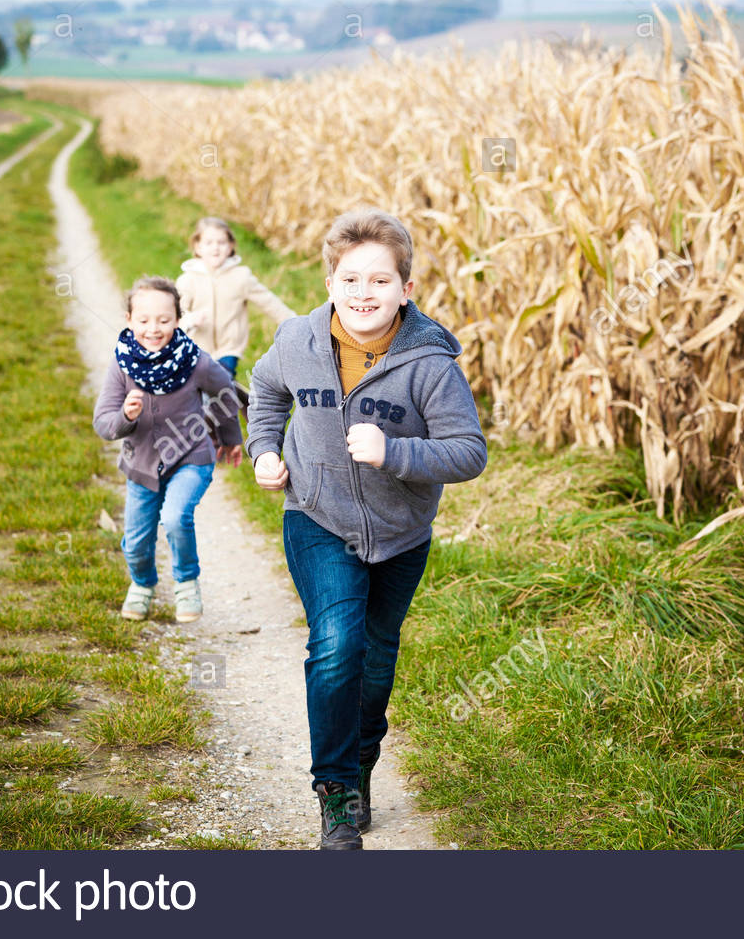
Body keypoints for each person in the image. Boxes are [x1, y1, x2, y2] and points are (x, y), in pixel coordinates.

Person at [245, 208, 487, 849]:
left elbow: (468, 452)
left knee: (376, 658)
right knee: (335, 645)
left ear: (406, 289)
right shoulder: (297, 340)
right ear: (330, 283)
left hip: (401, 533)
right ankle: (336, 792)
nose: (363, 294)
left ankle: (361, 766)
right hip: (316, 516)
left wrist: (394, 452)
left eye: (379, 282)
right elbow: (264, 389)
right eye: (350, 280)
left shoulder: (430, 364)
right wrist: (265, 450)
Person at [93, 276, 243, 623]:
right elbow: (103, 422)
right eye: (143, 320)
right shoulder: (122, 365)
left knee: (176, 518)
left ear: (178, 319)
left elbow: (225, 394)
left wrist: (231, 438)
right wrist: (125, 417)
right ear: (129, 320)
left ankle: (187, 583)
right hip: (141, 464)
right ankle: (142, 585)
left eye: (163, 319)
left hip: (191, 457)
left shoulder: (196, 361)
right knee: (135, 541)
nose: (153, 328)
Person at [176, 216, 298, 378]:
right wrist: (190, 319)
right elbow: (177, 312)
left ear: (230, 246)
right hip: (197, 347)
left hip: (229, 349)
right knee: (197, 387)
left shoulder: (241, 277)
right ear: (198, 247)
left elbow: (269, 302)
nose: (215, 248)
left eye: (221, 242)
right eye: (209, 243)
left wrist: (296, 324)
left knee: (220, 380)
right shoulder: (188, 280)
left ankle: (222, 399)